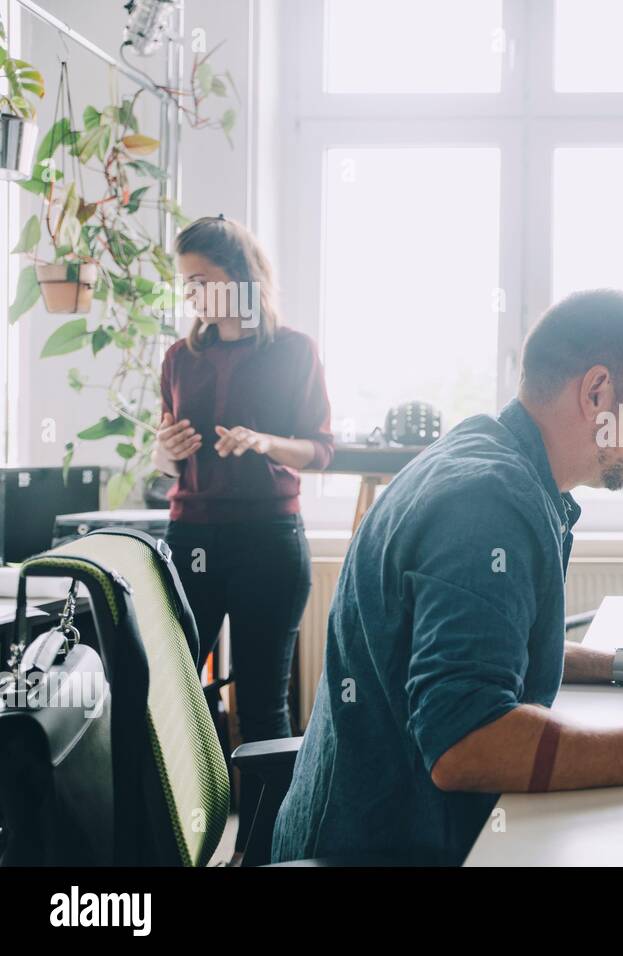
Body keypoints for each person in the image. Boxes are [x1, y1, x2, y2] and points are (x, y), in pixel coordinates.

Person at [272, 288, 623, 866]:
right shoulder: (486, 504)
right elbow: (466, 743)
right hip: (386, 849)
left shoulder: (490, 457)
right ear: (596, 392)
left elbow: (493, 646)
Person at [153, 215, 334, 845]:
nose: (192, 294)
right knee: (176, 695)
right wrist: (165, 449)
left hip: (269, 543)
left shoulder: (294, 351)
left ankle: (263, 851)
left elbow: (321, 449)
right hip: (191, 541)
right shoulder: (180, 358)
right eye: (186, 282)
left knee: (263, 708)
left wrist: (264, 442)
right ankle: (181, 842)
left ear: (241, 278)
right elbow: (164, 460)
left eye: (201, 279)